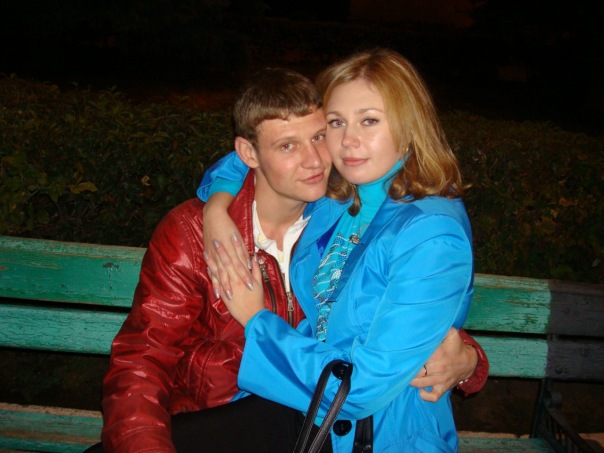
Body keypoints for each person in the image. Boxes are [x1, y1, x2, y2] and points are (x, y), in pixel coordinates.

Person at [90, 63, 485, 453]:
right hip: (242, 415)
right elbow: (142, 362)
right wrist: (216, 207)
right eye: (289, 146)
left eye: (319, 136)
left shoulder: (339, 210)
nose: (317, 159)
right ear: (249, 152)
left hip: (339, 425)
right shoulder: (200, 232)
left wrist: (468, 358)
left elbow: (393, 312)